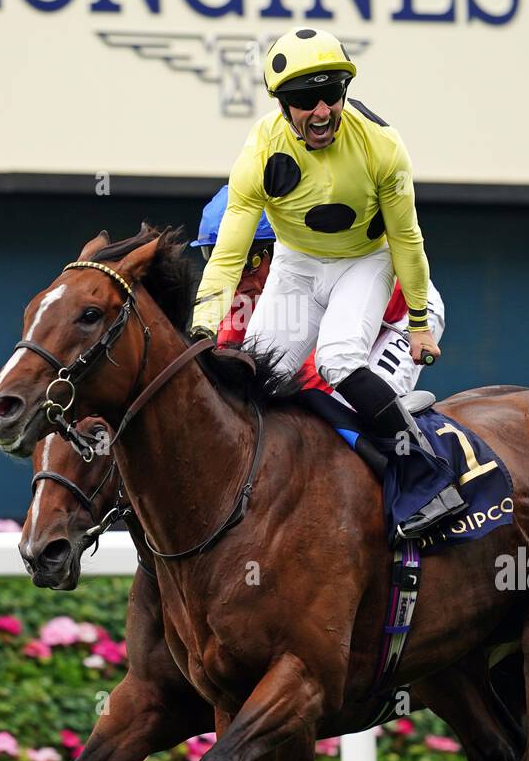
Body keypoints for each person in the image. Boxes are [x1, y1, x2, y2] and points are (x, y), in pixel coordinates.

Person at [189, 28, 463, 536]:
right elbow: (227, 256)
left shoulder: (382, 146)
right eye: (301, 100)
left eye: (331, 95)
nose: (319, 112)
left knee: (338, 362)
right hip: (299, 262)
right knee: (258, 374)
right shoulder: (258, 151)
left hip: (374, 268)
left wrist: (422, 324)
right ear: (280, 104)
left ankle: (427, 476)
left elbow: (407, 240)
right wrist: (202, 329)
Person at [190, 185, 446, 397]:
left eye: (248, 262)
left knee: (349, 398)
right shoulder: (239, 291)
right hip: (349, 321)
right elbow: (232, 357)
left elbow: (313, 378)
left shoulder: (301, 277)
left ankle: (411, 452)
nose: (234, 280)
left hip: (405, 316)